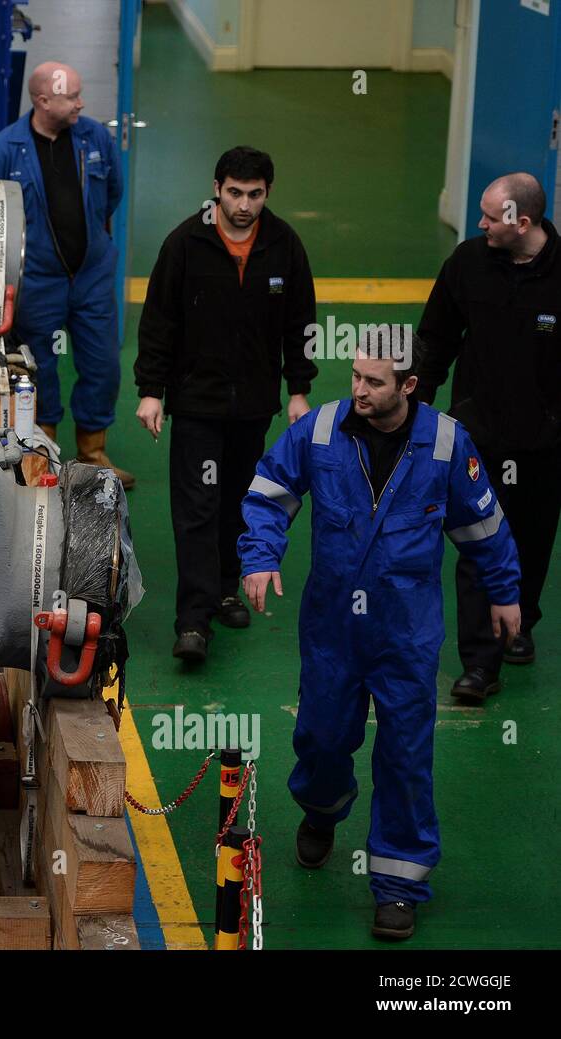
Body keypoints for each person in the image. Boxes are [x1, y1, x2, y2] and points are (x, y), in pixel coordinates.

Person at [239, 350, 521, 941]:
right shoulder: (318, 430)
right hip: (333, 628)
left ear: (409, 386)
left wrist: (504, 592)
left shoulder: (446, 444)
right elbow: (268, 492)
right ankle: (322, 809)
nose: (359, 391)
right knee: (320, 736)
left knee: (405, 754)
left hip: (406, 633)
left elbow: (483, 526)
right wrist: (261, 556)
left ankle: (398, 884)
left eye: (374, 382)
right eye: (355, 377)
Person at [135, 146, 317, 663]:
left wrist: (298, 388)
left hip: (254, 404)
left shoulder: (284, 245)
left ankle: (225, 589)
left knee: (239, 500)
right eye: (234, 192)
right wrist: (153, 390)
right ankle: (192, 621)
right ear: (217, 188)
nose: (243, 204)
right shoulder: (184, 244)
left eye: (254, 194)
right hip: (197, 402)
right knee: (197, 508)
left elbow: (300, 321)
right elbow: (159, 322)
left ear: (267, 194)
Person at [415, 172, 561, 703]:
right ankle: (480, 664)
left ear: (523, 222)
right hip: (478, 438)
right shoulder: (468, 264)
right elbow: (435, 337)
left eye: (489, 216)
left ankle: (520, 619)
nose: (478, 224)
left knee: (532, 541)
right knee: (478, 544)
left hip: (544, 446)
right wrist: (422, 404)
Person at [0, 61, 132, 486]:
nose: (82, 103)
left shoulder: (94, 137)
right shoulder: (4, 150)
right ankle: (43, 452)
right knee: (37, 366)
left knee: (102, 363)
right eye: (72, 96)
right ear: (43, 101)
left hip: (92, 274)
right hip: (36, 280)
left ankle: (93, 452)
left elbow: (113, 193)